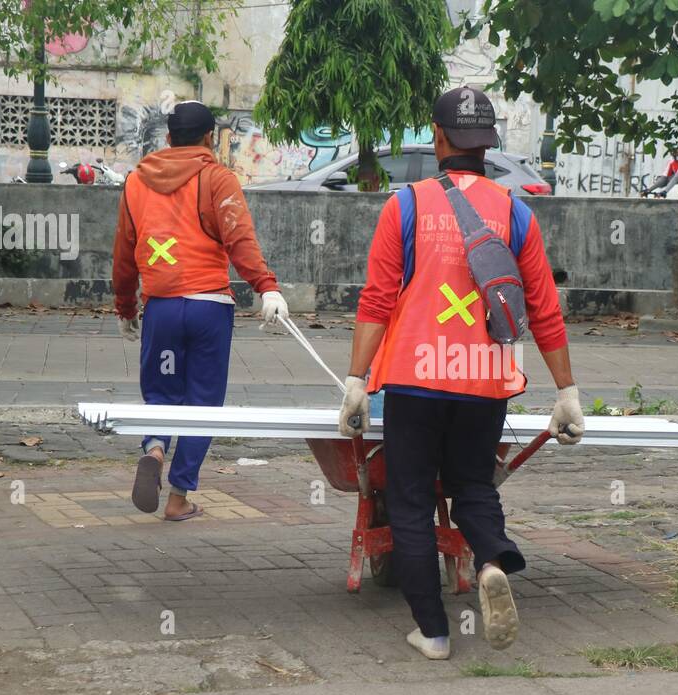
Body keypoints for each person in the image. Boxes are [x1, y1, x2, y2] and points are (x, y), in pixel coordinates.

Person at [338, 87, 584, 660]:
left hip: (415, 377)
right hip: (484, 379)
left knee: (412, 497)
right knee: (474, 484)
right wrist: (567, 392)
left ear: (438, 136)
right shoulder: (516, 212)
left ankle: (434, 632)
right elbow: (543, 310)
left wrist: (355, 381)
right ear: (489, 143)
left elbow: (376, 302)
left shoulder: (407, 205)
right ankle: (493, 562)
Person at [111, 100, 289, 521]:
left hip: (161, 308)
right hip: (209, 306)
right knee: (202, 403)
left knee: (161, 392)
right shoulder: (217, 178)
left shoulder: (137, 182)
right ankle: (178, 498)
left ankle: (154, 447)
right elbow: (239, 239)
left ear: (168, 138)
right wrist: (267, 288)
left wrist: (124, 306)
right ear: (210, 138)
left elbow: (123, 253)